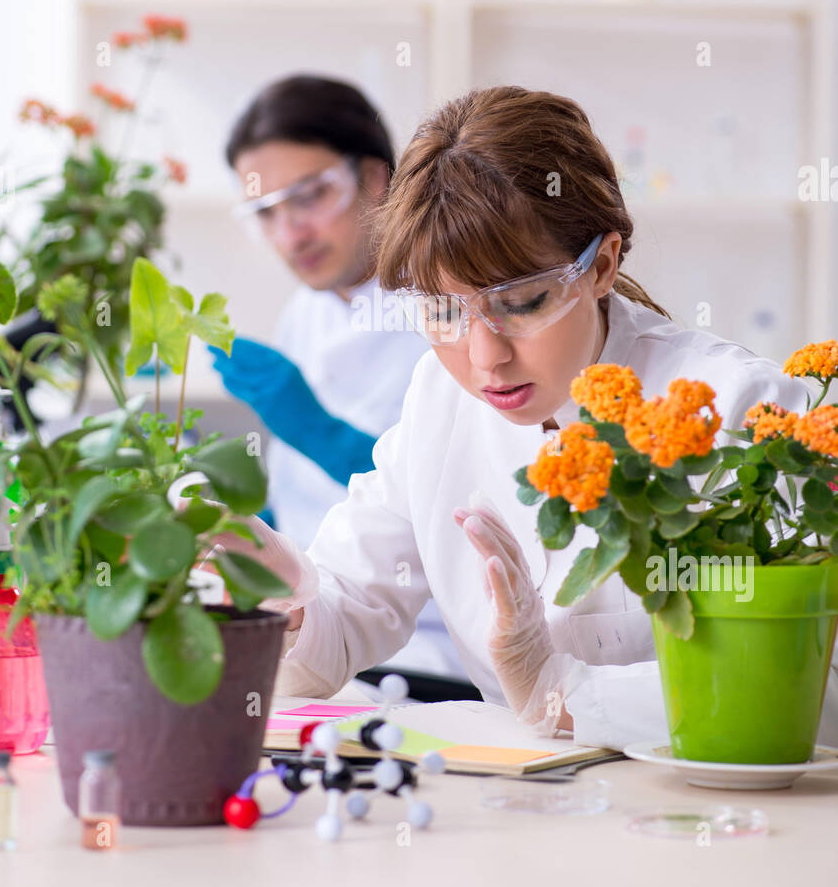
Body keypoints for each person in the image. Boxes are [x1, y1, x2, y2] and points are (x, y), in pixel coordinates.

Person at [215, 85, 838, 750]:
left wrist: (559, 691)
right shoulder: (439, 398)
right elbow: (344, 616)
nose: (485, 358)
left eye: (523, 302)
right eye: (443, 313)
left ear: (600, 265)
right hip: (527, 817)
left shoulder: (740, 410)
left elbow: (814, 692)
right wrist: (279, 586)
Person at [213, 73, 469, 684]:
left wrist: (321, 433)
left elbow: (457, 500)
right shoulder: (306, 308)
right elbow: (302, 506)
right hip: (305, 628)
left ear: (376, 178)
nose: (290, 234)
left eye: (309, 197)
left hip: (422, 654)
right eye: (266, 213)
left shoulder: (449, 302)